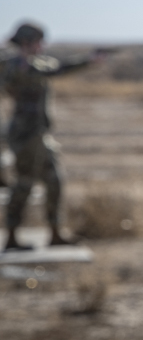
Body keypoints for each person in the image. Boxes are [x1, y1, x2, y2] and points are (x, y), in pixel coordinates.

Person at [2, 22, 104, 250]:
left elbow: (55, 67)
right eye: (37, 41)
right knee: (24, 183)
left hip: (40, 134)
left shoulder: (33, 63)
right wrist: (88, 61)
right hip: (26, 136)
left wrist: (88, 60)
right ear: (28, 42)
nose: (42, 46)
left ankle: (56, 232)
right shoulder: (16, 65)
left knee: (54, 180)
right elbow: (52, 70)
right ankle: (11, 235)